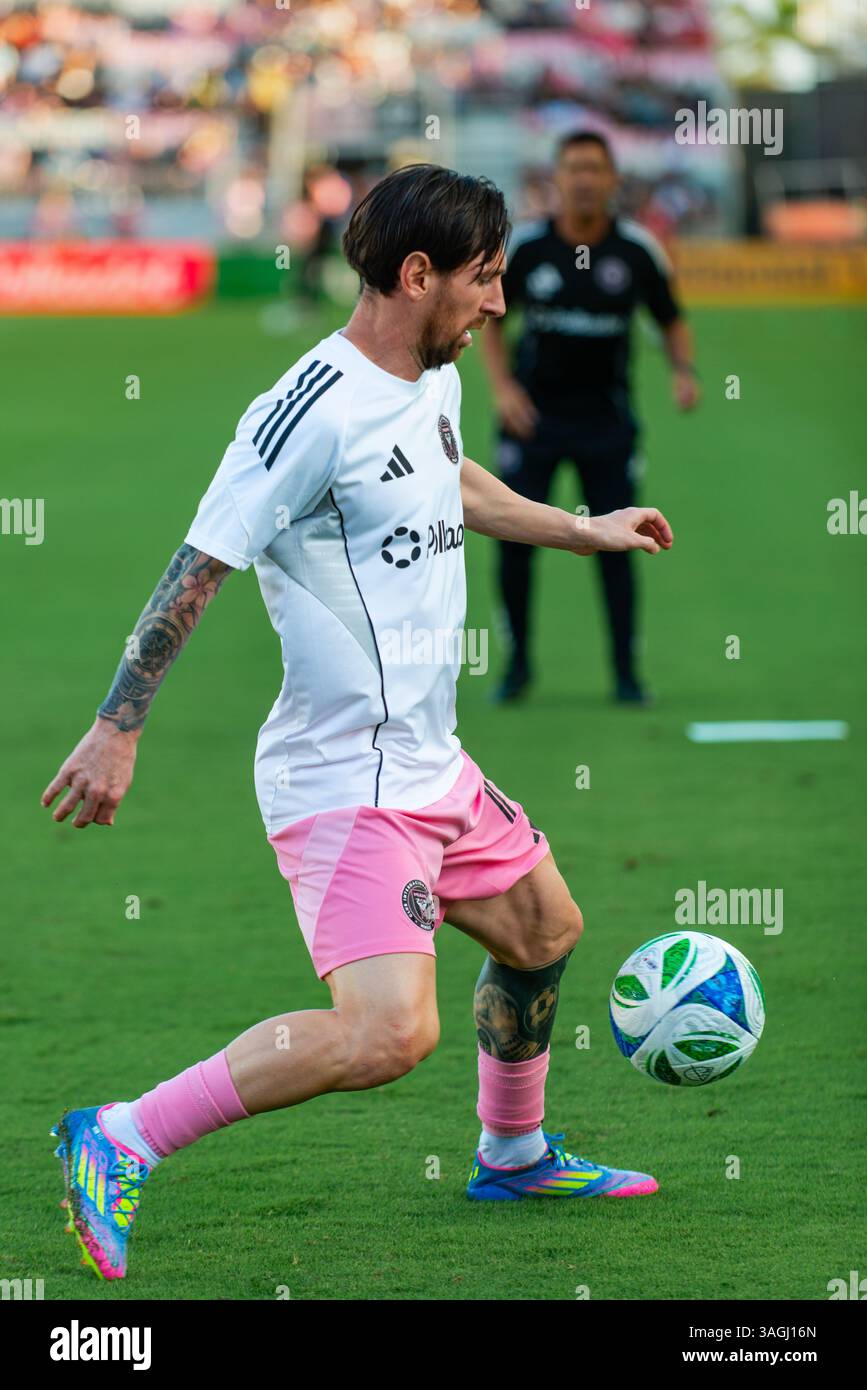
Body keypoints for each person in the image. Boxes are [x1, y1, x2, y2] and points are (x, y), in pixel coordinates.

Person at [42, 163, 673, 1282]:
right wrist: (116, 726)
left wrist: (583, 530)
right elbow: (200, 565)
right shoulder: (302, 413)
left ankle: (513, 1151)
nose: (497, 305)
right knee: (390, 1033)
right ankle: (122, 1132)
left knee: (543, 933)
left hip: (432, 762)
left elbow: (445, 479)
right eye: (482, 281)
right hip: (345, 779)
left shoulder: (429, 376)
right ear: (414, 273)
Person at [482, 131, 699, 704]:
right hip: (534, 422)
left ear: (611, 180)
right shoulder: (528, 249)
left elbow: (671, 317)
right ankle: (518, 666)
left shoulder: (635, 250)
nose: (582, 179)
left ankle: (626, 674)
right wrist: (503, 390)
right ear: (556, 177)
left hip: (607, 423)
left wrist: (684, 371)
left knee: (621, 543)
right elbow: (491, 319)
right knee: (512, 542)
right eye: (572, 167)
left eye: (593, 169)